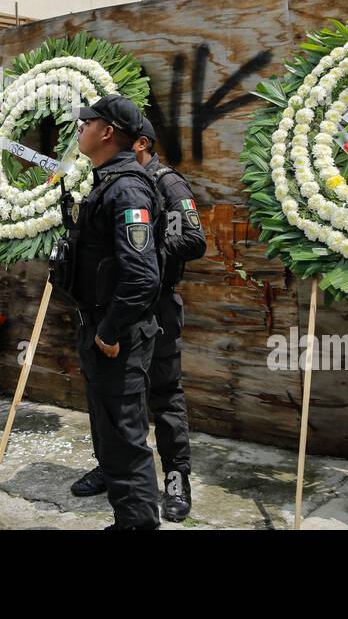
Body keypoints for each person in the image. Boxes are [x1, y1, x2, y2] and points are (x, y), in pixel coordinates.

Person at [72, 116, 206, 520]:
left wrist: (153, 239)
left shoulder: (166, 183)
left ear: (141, 144)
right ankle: (113, 470)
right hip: (122, 304)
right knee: (113, 402)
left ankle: (176, 476)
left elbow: (194, 239)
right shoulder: (112, 183)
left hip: (156, 304)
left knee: (163, 392)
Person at [51, 93, 163, 530]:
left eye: (86, 123)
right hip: (98, 328)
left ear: (108, 132)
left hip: (118, 336)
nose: (79, 129)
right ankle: (128, 520)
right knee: (111, 434)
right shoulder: (108, 182)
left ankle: (138, 523)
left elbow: (142, 277)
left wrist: (110, 331)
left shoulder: (127, 188)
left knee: (125, 438)